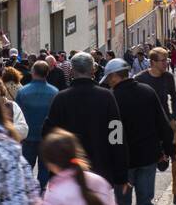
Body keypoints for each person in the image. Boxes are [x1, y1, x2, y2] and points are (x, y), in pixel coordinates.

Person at [106, 58, 174, 205]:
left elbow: (114, 136)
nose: (108, 82)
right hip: (147, 159)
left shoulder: (113, 98)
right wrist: (168, 152)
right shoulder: (147, 91)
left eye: (109, 78)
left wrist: (113, 162)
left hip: (124, 164)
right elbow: (163, 124)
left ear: (115, 76)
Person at [42, 53, 129, 191]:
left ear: (72, 70)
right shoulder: (106, 97)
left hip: (67, 174)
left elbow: (48, 134)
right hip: (101, 173)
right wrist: (121, 175)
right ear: (93, 70)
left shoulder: (61, 99)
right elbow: (116, 136)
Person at [135, 46, 176, 205]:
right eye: (163, 60)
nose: (166, 63)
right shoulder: (140, 79)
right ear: (152, 62)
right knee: (144, 161)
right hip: (149, 125)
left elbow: (175, 97)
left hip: (168, 124)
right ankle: (144, 199)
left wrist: (174, 116)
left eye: (167, 60)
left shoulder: (168, 78)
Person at [16, 60, 59, 189]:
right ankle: (41, 194)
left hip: (28, 137)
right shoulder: (55, 92)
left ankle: (28, 195)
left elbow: (18, 115)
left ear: (33, 72)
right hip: (47, 138)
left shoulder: (23, 92)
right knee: (45, 170)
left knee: (26, 168)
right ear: (47, 73)